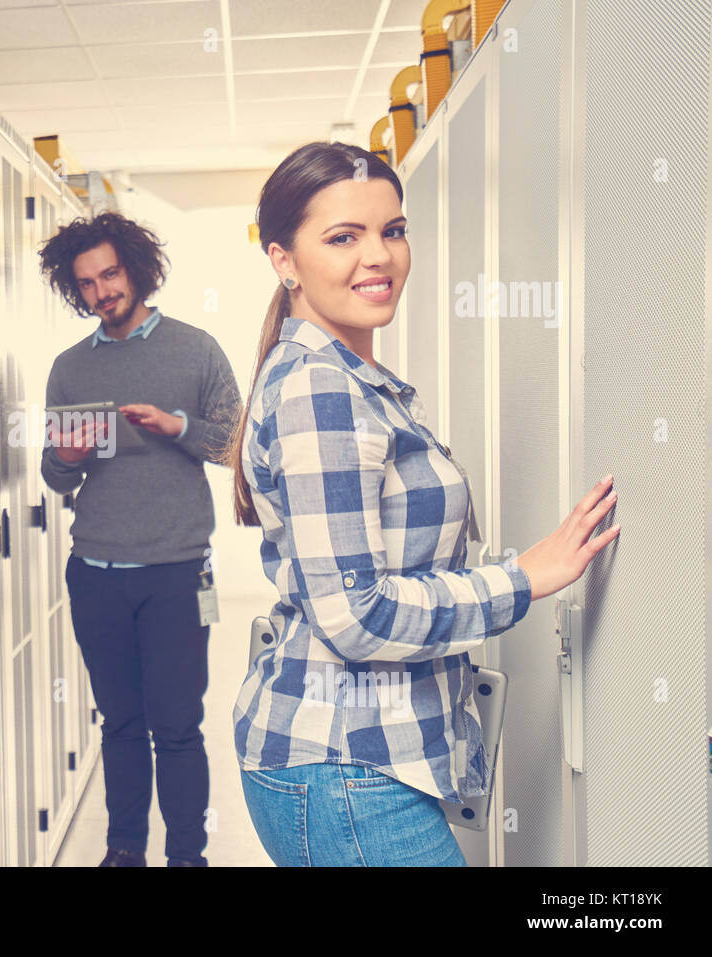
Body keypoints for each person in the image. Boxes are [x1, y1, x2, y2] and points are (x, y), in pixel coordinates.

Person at [224, 141, 621, 866]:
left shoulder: (355, 377)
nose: (378, 256)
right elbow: (356, 615)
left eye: (392, 230)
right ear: (284, 260)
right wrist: (523, 578)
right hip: (344, 768)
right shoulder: (321, 390)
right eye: (343, 237)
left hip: (361, 762)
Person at [37, 211, 242, 867]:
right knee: (119, 722)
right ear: (77, 291)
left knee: (177, 727)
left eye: (111, 273)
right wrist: (65, 457)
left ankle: (188, 854)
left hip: (180, 575)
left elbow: (236, 445)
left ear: (136, 268)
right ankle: (124, 848)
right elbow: (54, 476)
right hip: (95, 573)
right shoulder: (69, 368)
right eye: (88, 282)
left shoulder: (196, 348)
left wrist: (174, 424)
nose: (102, 291)